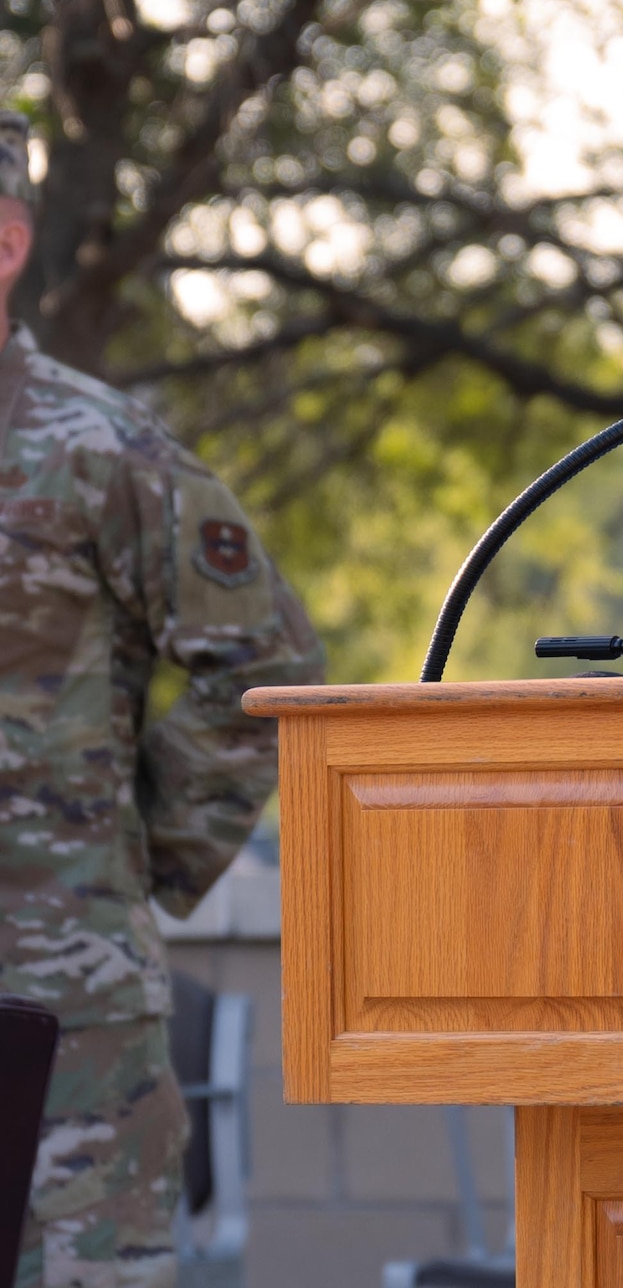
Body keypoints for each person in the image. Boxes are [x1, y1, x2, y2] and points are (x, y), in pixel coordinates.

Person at [0, 110, 324, 1287]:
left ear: (7, 243)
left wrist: (136, 851)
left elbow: (266, 663)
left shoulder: (98, 452)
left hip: (60, 1011)